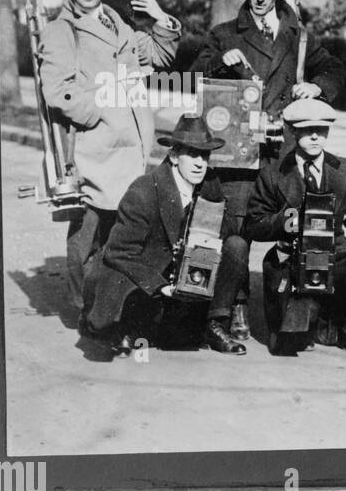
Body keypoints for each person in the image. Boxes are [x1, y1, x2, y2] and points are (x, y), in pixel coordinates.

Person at [190, 0, 345, 339]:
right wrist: (219, 62)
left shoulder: (300, 38)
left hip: (284, 150)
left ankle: (298, 309)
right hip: (241, 150)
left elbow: (335, 68)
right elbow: (195, 72)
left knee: (295, 222)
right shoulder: (225, 33)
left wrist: (318, 87)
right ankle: (239, 303)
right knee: (238, 227)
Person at [37, 0, 182, 317]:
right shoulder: (62, 30)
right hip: (93, 150)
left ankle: (106, 305)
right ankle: (82, 307)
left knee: (118, 234)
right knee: (86, 234)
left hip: (131, 151)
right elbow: (57, 89)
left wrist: (158, 16)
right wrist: (99, 112)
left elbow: (160, 57)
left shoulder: (116, 21)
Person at [81, 113, 248, 357]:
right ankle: (127, 327)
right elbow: (119, 252)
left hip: (191, 284)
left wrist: (208, 215)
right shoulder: (145, 189)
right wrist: (160, 287)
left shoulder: (209, 182)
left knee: (236, 245)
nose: (200, 163)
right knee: (141, 321)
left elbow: (230, 228)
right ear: (173, 156)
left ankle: (214, 324)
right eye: (192, 154)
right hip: (151, 286)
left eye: (205, 155)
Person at [243, 98, 346, 357]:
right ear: (293, 132)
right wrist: (284, 222)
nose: (316, 137)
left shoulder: (344, 169)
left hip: (334, 254)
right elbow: (255, 224)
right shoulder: (273, 173)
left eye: (322, 130)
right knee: (286, 347)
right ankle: (300, 326)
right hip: (292, 257)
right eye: (307, 131)